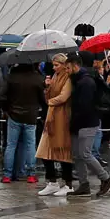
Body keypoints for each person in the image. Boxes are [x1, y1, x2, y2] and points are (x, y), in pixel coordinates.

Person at [67, 51, 110, 196]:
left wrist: (75, 119)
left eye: (68, 68)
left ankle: (106, 178)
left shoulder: (85, 82)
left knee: (85, 153)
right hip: (78, 122)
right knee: (77, 154)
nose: (67, 71)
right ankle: (83, 184)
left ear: (75, 66)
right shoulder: (78, 80)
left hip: (87, 121)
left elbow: (84, 106)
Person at [36, 55, 75, 196]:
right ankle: (52, 181)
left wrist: (50, 101)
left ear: (64, 65)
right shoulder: (54, 76)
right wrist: (47, 88)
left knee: (63, 151)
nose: (54, 67)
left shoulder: (68, 78)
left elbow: (64, 96)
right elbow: (49, 96)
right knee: (44, 150)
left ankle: (68, 184)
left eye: (57, 65)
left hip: (63, 117)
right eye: (53, 65)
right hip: (51, 116)